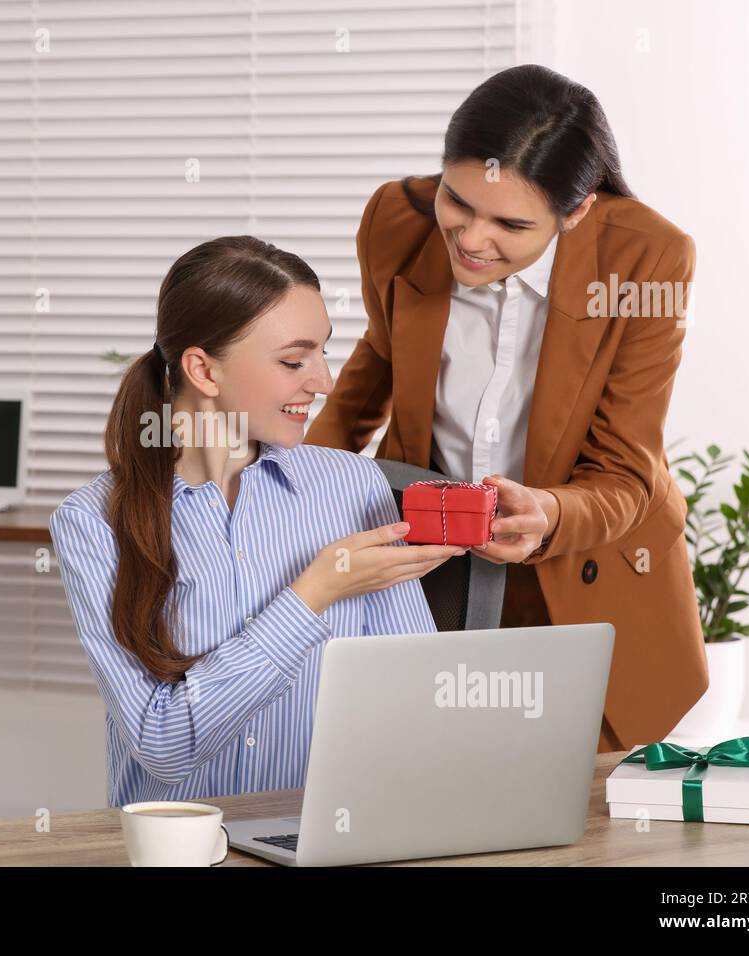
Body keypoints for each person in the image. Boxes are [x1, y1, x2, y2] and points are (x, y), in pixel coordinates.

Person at [306, 64, 706, 752]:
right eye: (457, 201)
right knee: (414, 787)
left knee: (582, 828)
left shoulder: (647, 256)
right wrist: (292, 491)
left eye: (510, 223)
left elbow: (626, 470)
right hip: (432, 572)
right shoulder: (395, 221)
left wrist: (548, 512)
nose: (470, 239)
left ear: (575, 210)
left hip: (586, 574)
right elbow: (373, 371)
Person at [50, 236, 457, 808]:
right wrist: (313, 594)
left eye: (322, 353)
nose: (324, 382)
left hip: (328, 840)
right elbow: (161, 744)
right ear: (203, 370)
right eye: (294, 360)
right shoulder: (93, 522)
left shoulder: (354, 487)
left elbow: (422, 703)